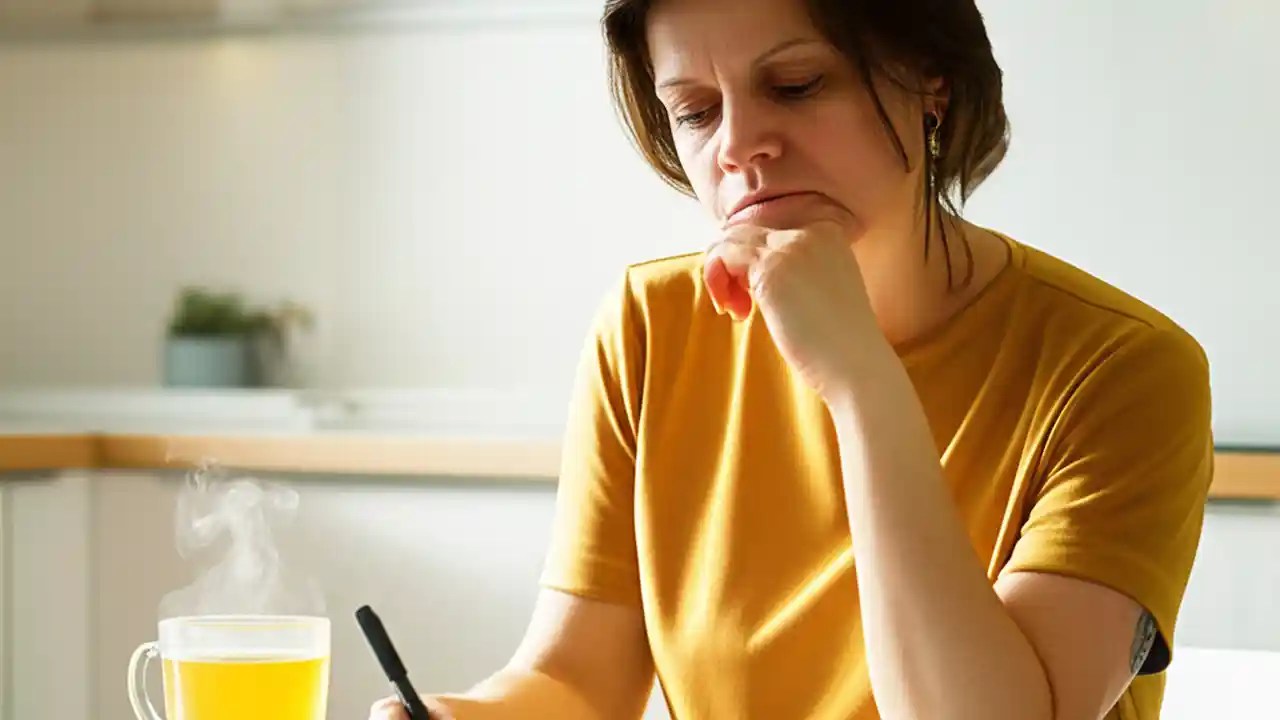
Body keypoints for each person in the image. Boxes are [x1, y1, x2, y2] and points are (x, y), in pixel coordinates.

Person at [371, 0, 1212, 717]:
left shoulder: (1128, 369)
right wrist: (467, 712)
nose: (738, 146)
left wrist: (861, 383)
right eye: (695, 111)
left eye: (797, 86)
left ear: (930, 78)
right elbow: (576, 679)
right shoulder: (652, 323)